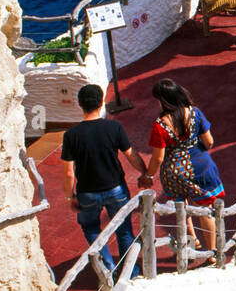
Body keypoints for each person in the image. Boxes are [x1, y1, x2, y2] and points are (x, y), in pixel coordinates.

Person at [61, 84, 150, 277]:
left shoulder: (71, 136)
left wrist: (70, 197)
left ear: (79, 105)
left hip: (87, 193)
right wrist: (144, 173)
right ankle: (131, 273)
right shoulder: (113, 127)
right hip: (116, 189)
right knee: (124, 229)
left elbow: (68, 172)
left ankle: (108, 270)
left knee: (91, 228)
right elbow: (131, 154)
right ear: (102, 102)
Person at [140, 79, 225, 264]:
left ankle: (192, 240)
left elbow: (158, 158)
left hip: (173, 172)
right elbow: (209, 142)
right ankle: (212, 253)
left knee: (181, 206)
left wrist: (148, 175)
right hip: (199, 167)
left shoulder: (160, 124)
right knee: (205, 209)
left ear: (163, 100)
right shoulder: (195, 113)